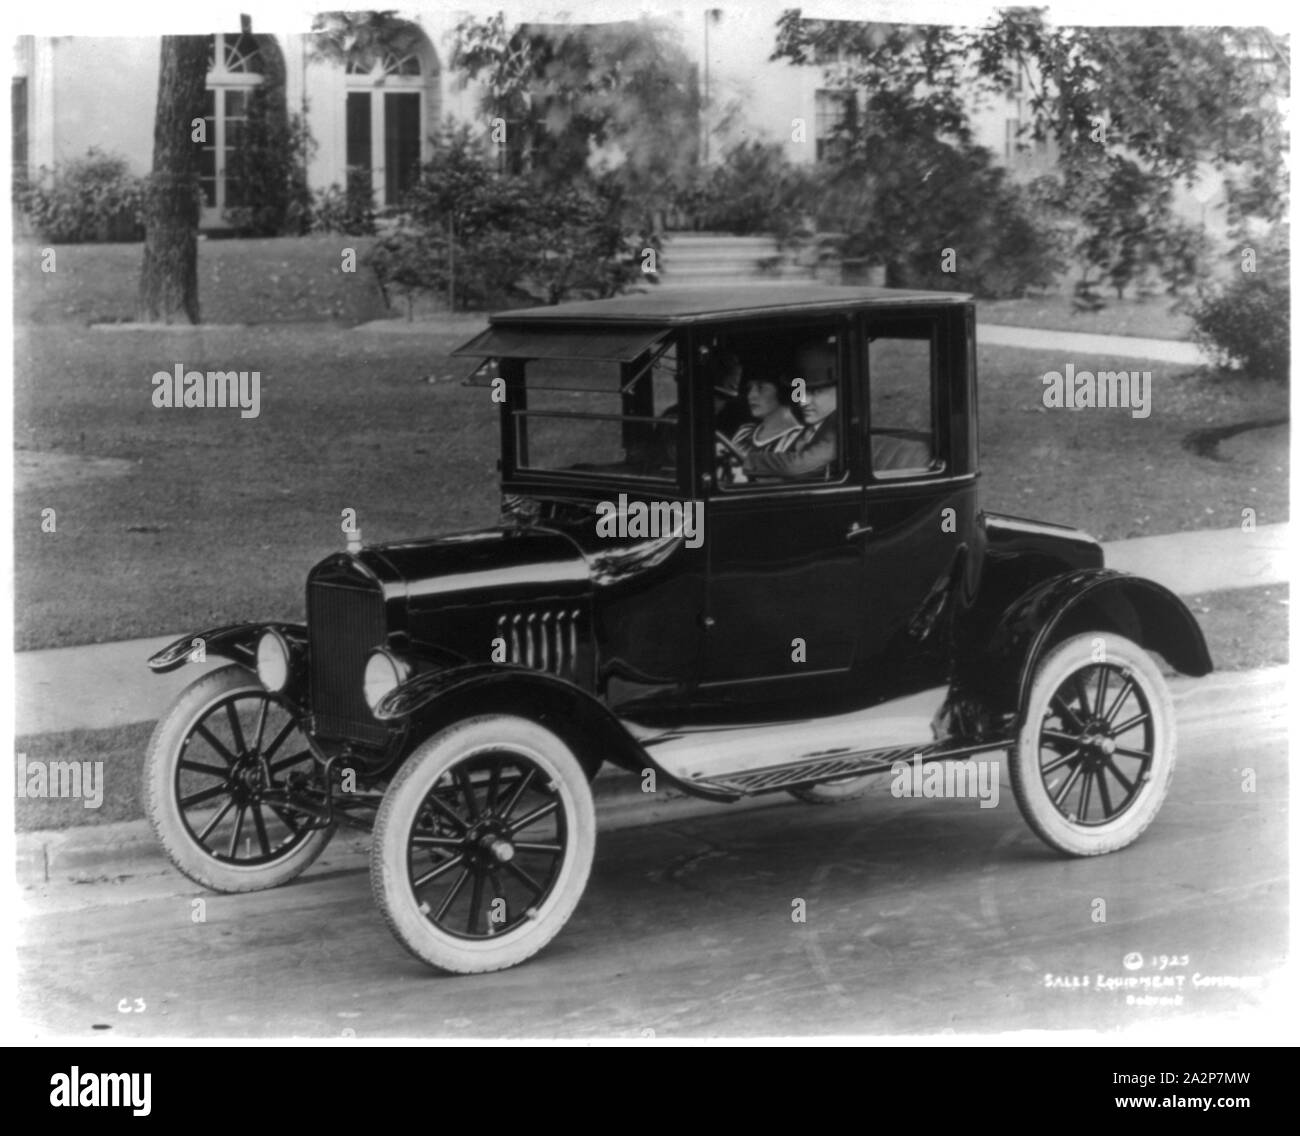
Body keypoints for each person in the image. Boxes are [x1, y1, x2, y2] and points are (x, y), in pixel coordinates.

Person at [743, 340, 839, 480]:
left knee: (699, 502)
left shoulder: (839, 427)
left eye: (814, 392)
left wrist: (747, 461)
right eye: (799, 391)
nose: (802, 401)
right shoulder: (811, 426)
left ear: (838, 390)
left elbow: (799, 465)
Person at [728, 374, 802, 456]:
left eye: (761, 387)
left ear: (783, 390)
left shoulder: (801, 440)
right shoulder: (743, 435)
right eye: (749, 388)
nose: (750, 396)